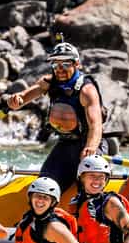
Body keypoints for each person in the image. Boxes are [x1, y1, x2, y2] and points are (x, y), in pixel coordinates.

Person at [7, 41, 107, 197]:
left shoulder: (87, 91)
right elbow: (25, 96)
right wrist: (16, 100)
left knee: (89, 187)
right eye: (55, 65)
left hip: (89, 144)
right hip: (65, 144)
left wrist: (91, 147)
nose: (60, 70)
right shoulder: (49, 82)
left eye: (66, 64)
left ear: (77, 64)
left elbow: (96, 126)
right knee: (44, 188)